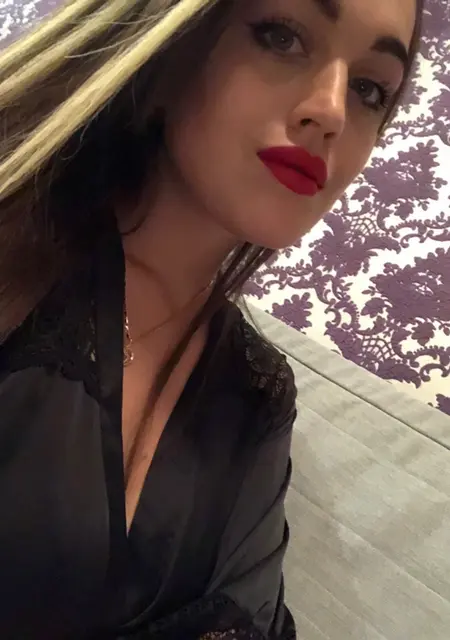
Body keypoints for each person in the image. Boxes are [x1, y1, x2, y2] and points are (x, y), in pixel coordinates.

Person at [0, 0, 423, 637]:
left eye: (370, 89)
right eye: (281, 36)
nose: (333, 110)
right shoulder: (17, 252)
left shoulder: (255, 396)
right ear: (171, 36)